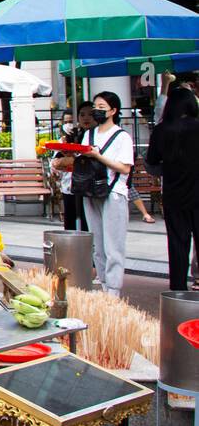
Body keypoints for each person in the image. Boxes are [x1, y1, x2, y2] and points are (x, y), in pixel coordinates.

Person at [79, 91, 134, 298]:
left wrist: (98, 156)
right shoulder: (89, 134)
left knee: (114, 245)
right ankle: (103, 285)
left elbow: (125, 168)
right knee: (98, 245)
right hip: (91, 191)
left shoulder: (122, 137)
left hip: (114, 193)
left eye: (102, 107)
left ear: (113, 111)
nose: (97, 111)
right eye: (96, 107)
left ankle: (113, 291)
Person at [147, 87, 199, 291]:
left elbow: (151, 163)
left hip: (174, 194)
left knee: (177, 244)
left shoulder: (161, 130)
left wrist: (169, 168)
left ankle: (177, 290)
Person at [53, 103, 93, 232]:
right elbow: (56, 163)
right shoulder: (68, 139)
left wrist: (72, 161)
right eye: (82, 115)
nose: (86, 118)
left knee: (88, 222)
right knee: (70, 223)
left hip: (89, 188)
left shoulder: (94, 136)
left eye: (90, 114)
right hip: (70, 186)